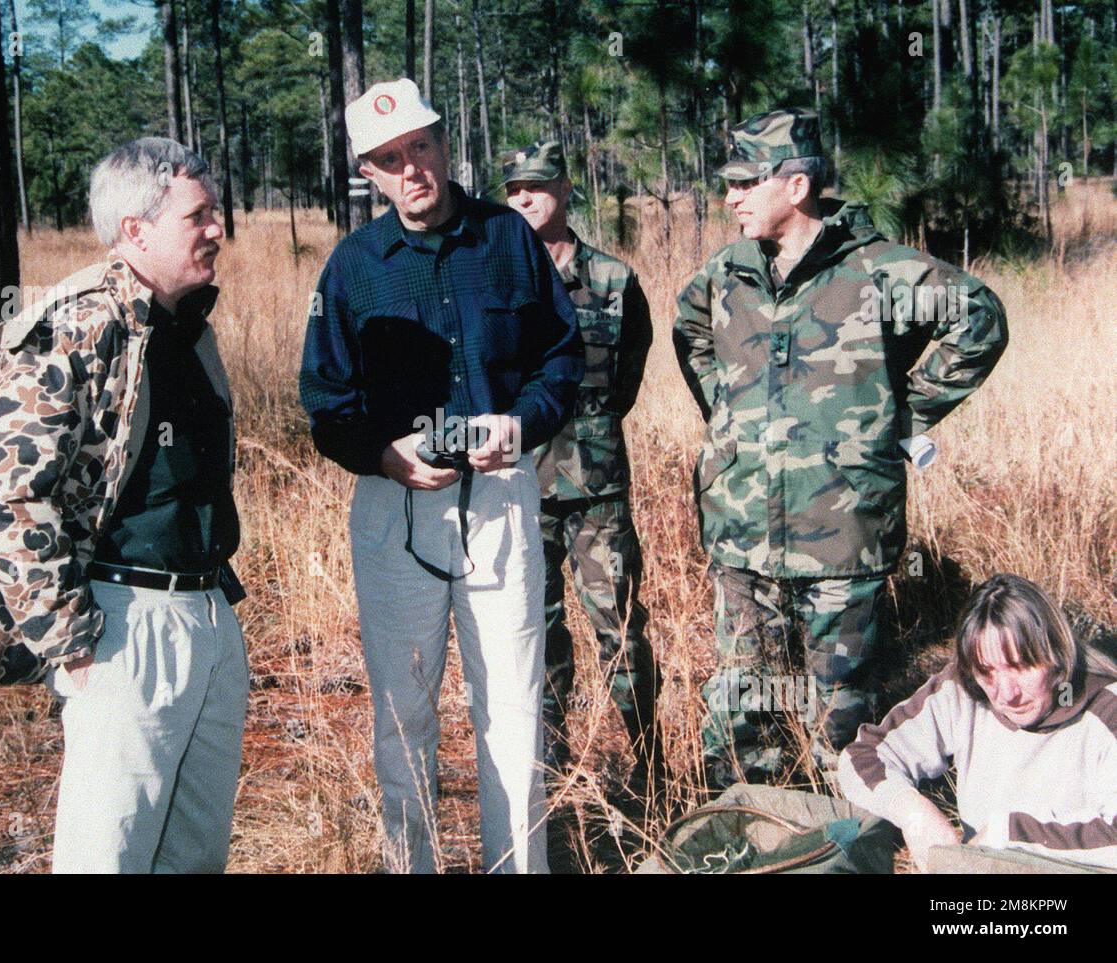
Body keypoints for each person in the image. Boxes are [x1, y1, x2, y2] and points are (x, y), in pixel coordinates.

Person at [0, 137, 250, 874]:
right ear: (136, 231)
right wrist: (70, 638)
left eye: (214, 213)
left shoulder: (188, 325)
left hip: (206, 618)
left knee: (195, 856)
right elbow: (4, 491)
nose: (216, 229)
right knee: (106, 857)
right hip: (121, 627)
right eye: (197, 215)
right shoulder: (76, 326)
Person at [673, 108, 1009, 790]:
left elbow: (981, 320)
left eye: (744, 181)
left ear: (795, 187)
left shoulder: (878, 271)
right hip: (742, 529)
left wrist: (900, 412)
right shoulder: (726, 274)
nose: (730, 197)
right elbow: (691, 332)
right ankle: (746, 829)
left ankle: (850, 838)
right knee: (742, 705)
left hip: (843, 530)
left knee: (842, 712)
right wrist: (732, 419)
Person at [298, 79, 583, 873]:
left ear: (442, 143)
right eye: (389, 160)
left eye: (420, 147)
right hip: (396, 511)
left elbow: (562, 356)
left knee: (515, 710)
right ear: (369, 173)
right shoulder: (354, 266)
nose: (412, 169)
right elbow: (323, 399)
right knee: (401, 715)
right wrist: (382, 452)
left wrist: (521, 422)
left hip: (498, 498)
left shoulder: (506, 238)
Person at [500, 141, 662, 794]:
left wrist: (589, 429)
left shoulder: (616, 281)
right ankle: (550, 769)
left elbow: (628, 373)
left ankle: (648, 765)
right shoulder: (495, 279)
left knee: (619, 629)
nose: (524, 199)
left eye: (537, 187)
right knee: (535, 632)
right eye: (513, 190)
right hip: (516, 489)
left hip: (596, 490)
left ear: (567, 191)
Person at [839, 574, 1117, 872]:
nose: (1007, 694)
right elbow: (862, 757)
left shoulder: (1107, 710)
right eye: (987, 672)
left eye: (1022, 666)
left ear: (1057, 655)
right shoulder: (962, 690)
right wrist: (912, 812)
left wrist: (1009, 835)